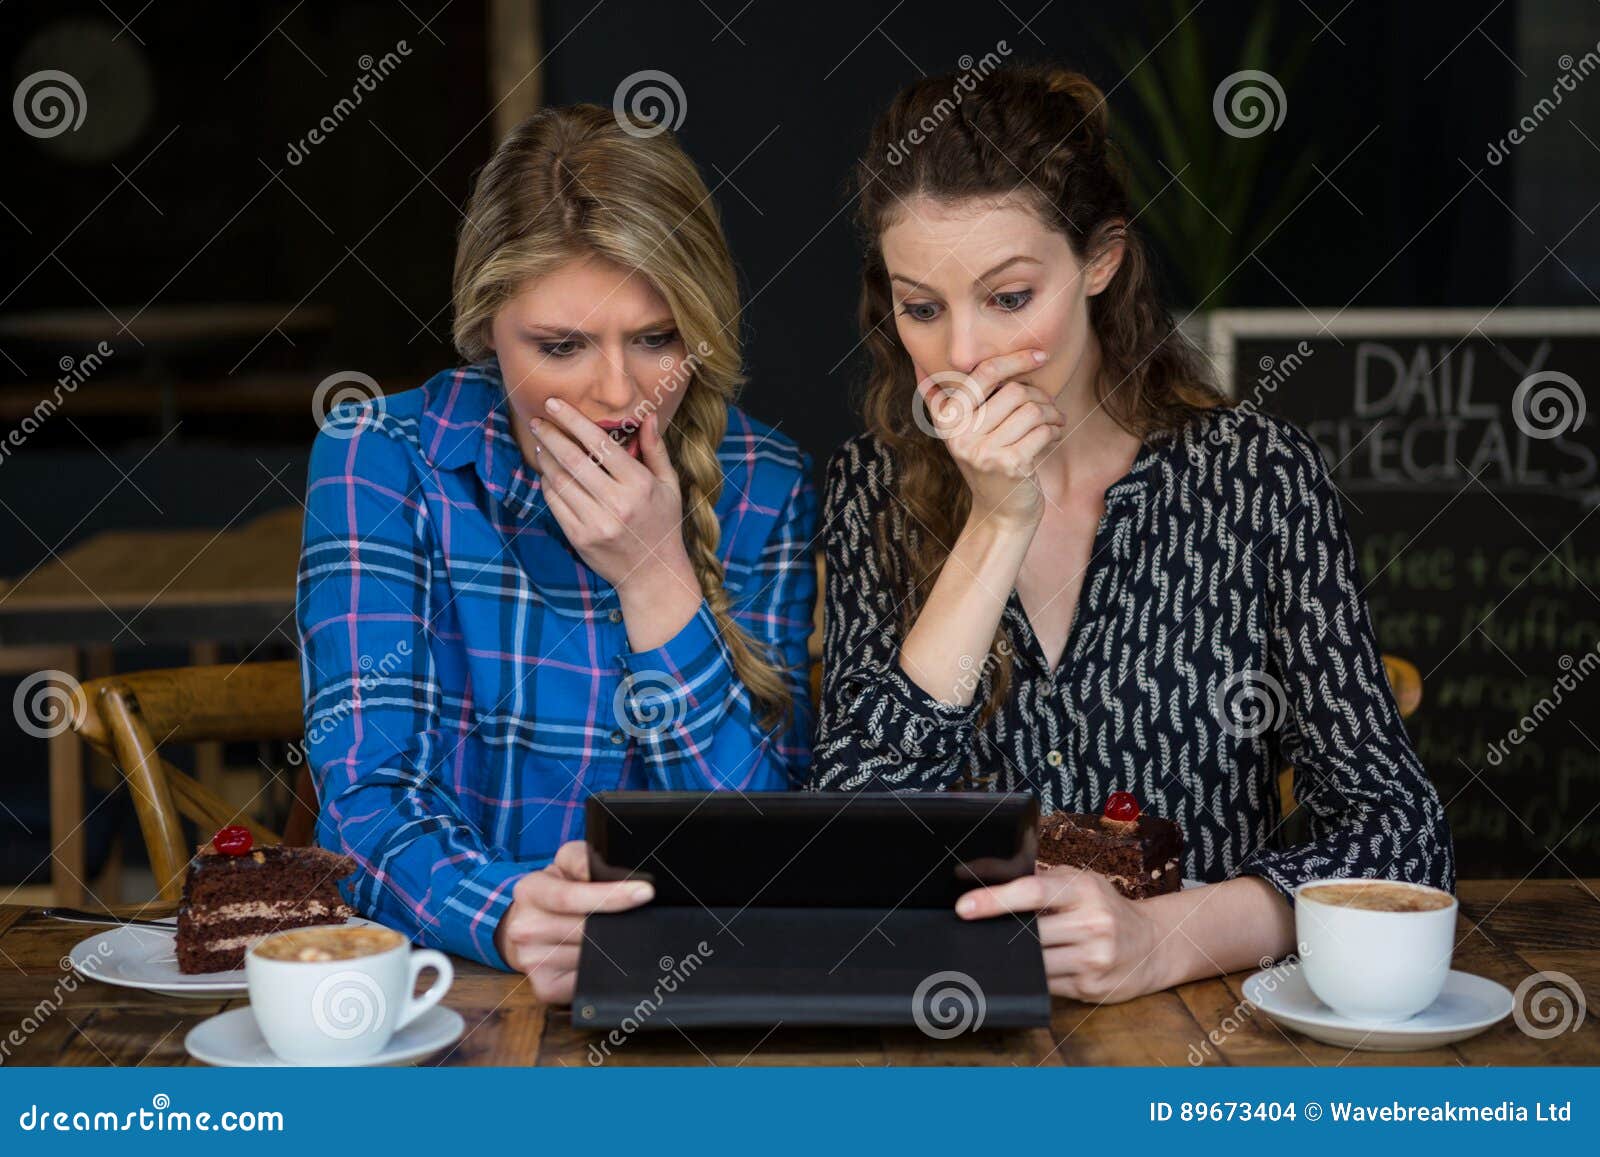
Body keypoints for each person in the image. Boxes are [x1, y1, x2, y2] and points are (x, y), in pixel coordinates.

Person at [809, 65, 1453, 1002]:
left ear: (1100, 261)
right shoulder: (876, 487)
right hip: (958, 1040)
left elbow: (1403, 839)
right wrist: (993, 524)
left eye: (1010, 296)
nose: (961, 355)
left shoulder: (1255, 480)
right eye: (922, 307)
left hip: (1205, 1043)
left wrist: (1166, 936)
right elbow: (844, 843)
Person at [297, 105, 816, 1001]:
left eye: (655, 339)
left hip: (698, 1003)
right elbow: (367, 799)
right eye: (561, 346)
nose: (617, 393)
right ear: (488, 327)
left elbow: (760, 852)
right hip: (451, 999)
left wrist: (657, 578)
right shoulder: (383, 459)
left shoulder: (767, 481)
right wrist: (502, 908)